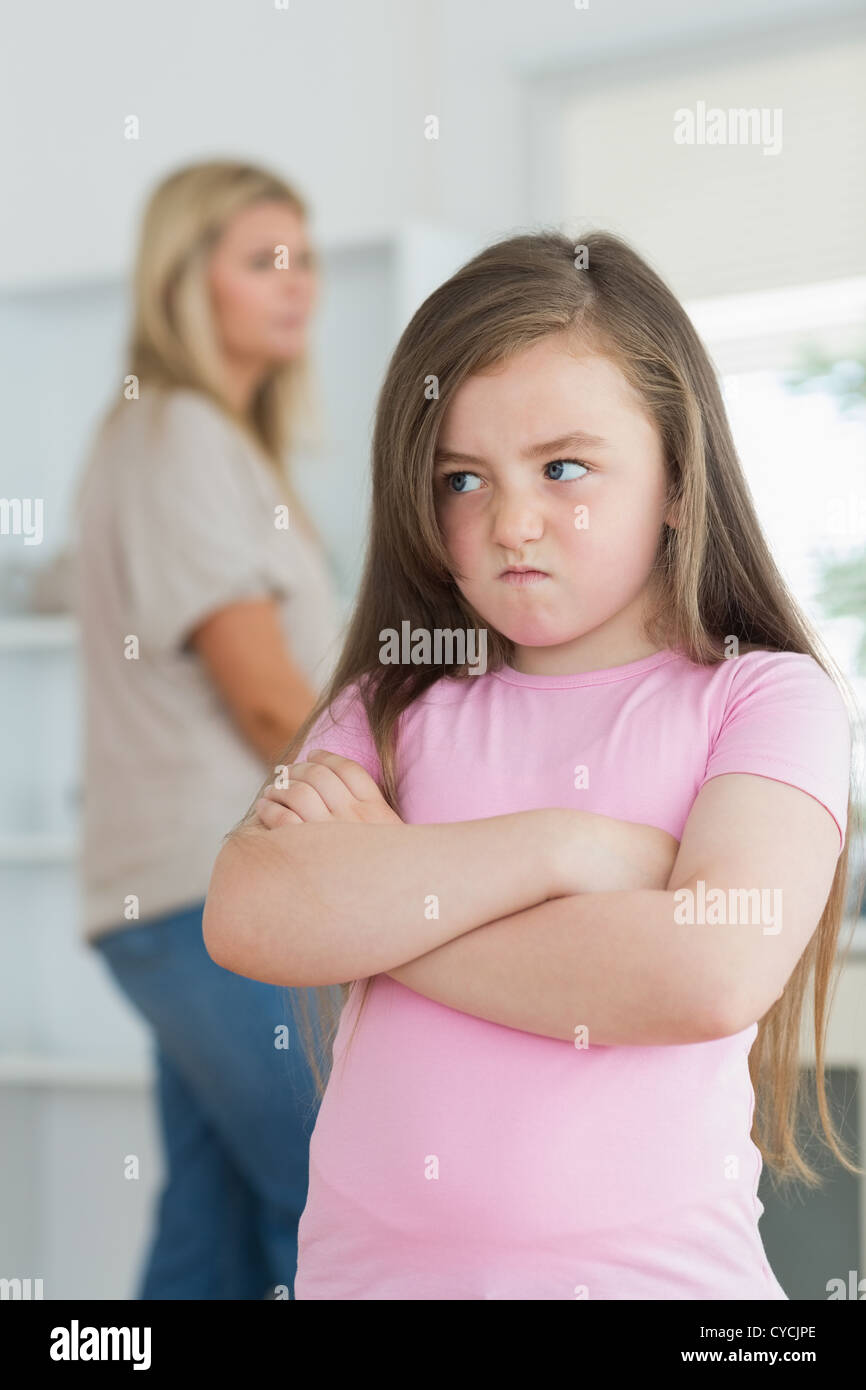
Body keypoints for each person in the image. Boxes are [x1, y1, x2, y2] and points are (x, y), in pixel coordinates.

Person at [202, 228, 863, 1300]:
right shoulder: (392, 704)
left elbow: (704, 970)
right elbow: (247, 916)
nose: (510, 520)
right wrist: (566, 849)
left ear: (678, 481)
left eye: (564, 467)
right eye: (463, 478)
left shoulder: (761, 696)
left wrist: (389, 908)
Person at [72, 160, 344, 1299]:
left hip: (175, 900)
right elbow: (272, 701)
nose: (298, 286)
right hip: (207, 898)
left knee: (213, 1221)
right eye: (261, 261)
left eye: (305, 258)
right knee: (331, 1202)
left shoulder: (188, 437)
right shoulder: (182, 433)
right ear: (187, 280)